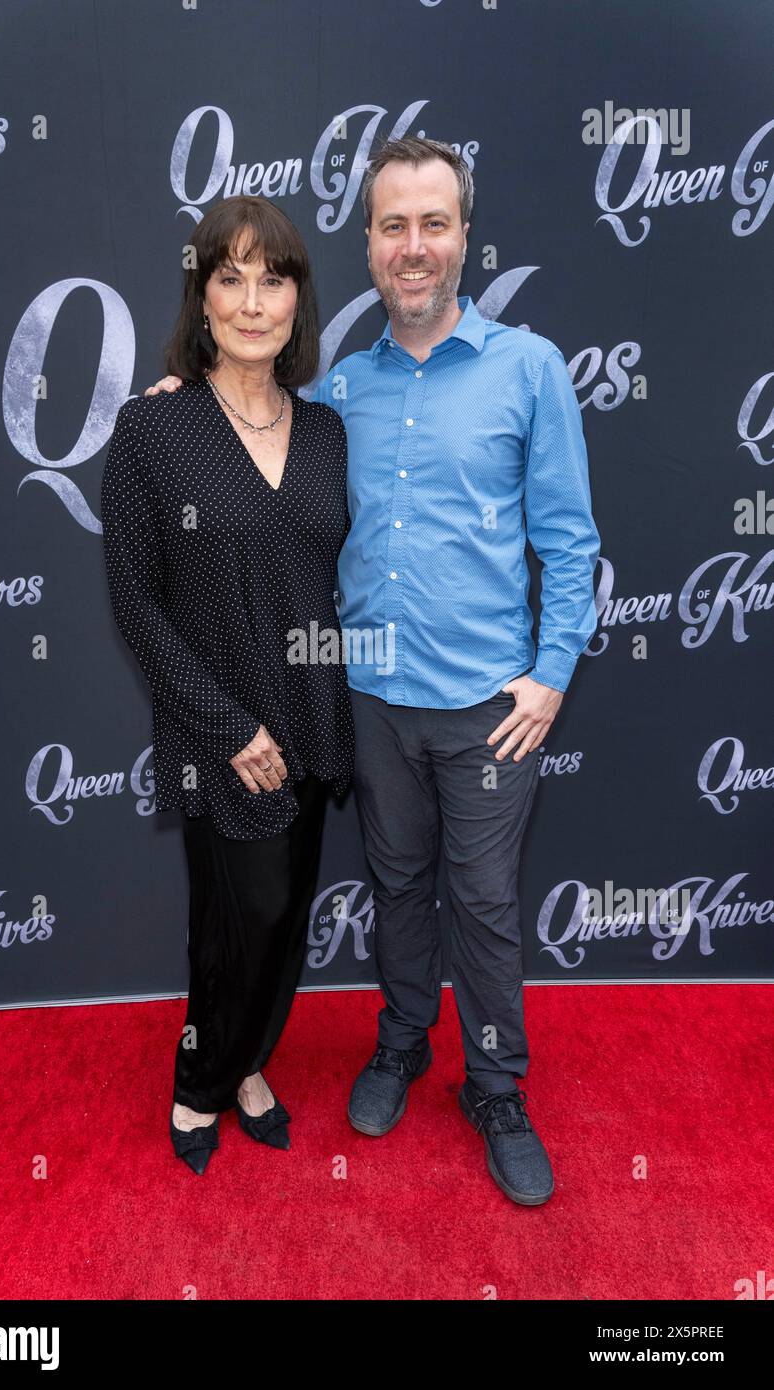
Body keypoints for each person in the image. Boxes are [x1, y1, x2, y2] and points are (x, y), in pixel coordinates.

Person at [146, 136, 600, 1205]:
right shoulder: (336, 391)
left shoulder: (526, 368)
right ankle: (400, 1043)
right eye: (392, 224)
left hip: (492, 707)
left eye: (431, 222)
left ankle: (493, 1084)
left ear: (462, 236)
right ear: (367, 243)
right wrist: (179, 399)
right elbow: (245, 443)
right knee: (395, 885)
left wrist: (550, 673)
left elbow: (569, 542)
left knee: (482, 904)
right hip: (370, 702)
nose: (412, 245)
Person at [100, 195, 354, 1176]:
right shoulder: (152, 430)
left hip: (311, 715)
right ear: (201, 296)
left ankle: (249, 1064)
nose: (254, 301)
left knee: (285, 911)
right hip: (220, 731)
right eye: (231, 278)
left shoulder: (328, 432)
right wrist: (223, 724)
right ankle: (199, 1081)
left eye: (273, 277)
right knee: (233, 919)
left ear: (296, 298)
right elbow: (135, 604)